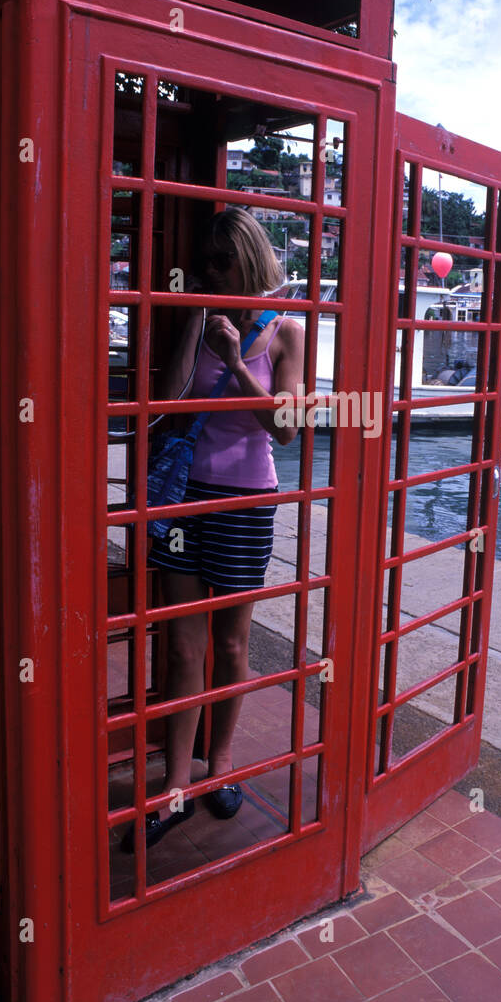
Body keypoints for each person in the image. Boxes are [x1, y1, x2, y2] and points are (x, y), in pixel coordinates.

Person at [125, 207, 304, 852]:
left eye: (220, 262)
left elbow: (284, 427)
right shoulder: (201, 322)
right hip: (184, 498)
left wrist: (236, 360)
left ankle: (220, 767)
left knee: (230, 646)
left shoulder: (286, 330)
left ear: (249, 259)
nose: (210, 270)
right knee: (181, 647)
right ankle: (174, 781)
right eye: (204, 262)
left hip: (246, 500)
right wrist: (198, 321)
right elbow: (168, 402)